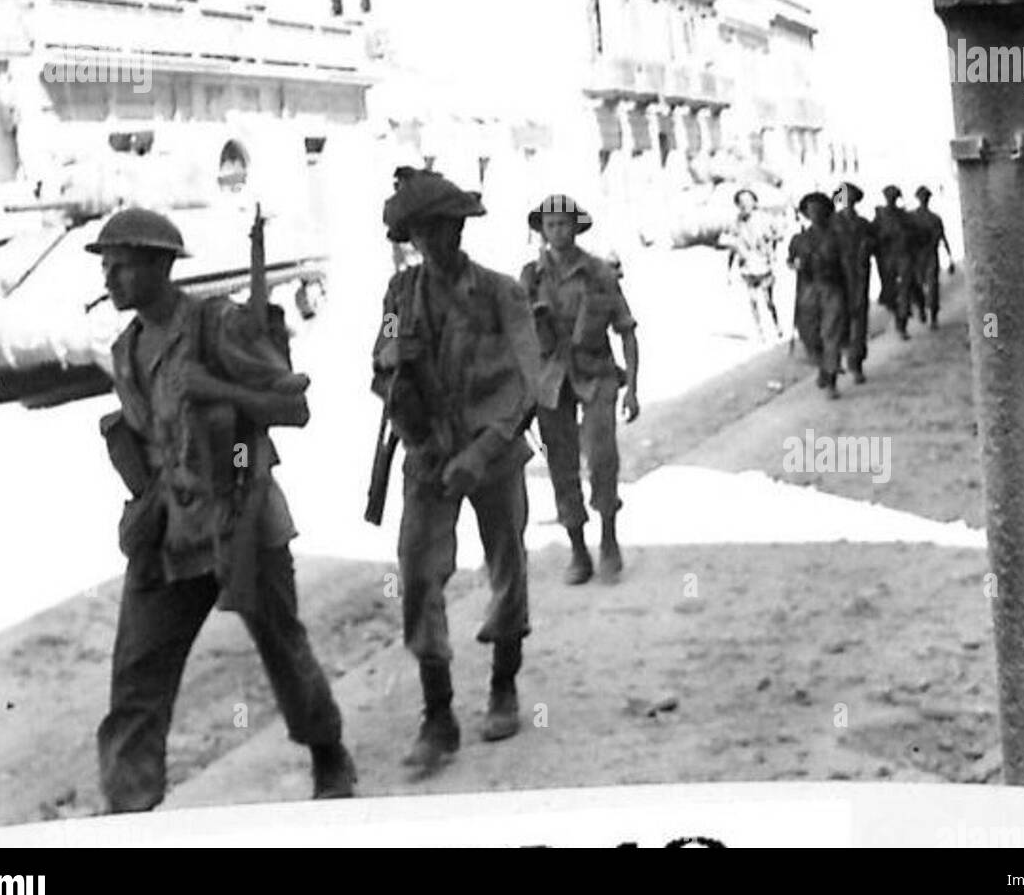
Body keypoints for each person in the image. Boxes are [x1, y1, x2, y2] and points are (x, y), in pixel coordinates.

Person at [88, 208, 356, 812]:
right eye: (106, 267)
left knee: (282, 648)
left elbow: (289, 410)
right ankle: (129, 806)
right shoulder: (125, 350)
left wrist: (222, 397)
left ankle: (328, 752)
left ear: (161, 266)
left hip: (242, 509)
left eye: (122, 266)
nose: (110, 279)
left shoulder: (218, 326)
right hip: (169, 530)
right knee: (137, 674)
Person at [371, 168, 542, 776]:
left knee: (506, 567)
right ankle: (438, 714)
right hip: (427, 456)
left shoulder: (501, 293)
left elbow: (531, 382)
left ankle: (503, 684)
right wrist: (398, 387)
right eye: (425, 231)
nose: (437, 241)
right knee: (418, 574)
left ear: (460, 228)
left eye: (447, 228)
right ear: (411, 236)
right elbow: (380, 360)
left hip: (491, 454)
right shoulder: (399, 297)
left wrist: (485, 448)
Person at [520, 194, 640, 586]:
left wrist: (633, 389)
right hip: (551, 380)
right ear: (542, 231)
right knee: (561, 465)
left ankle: (608, 538)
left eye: (564, 224)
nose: (557, 232)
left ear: (576, 227)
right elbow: (515, 337)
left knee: (602, 457)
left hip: (597, 374)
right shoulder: (530, 277)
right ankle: (577, 548)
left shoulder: (599, 273)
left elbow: (626, 331)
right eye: (550, 226)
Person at [786, 191, 850, 397]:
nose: (815, 214)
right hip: (808, 290)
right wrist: (794, 264)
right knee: (809, 335)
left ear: (826, 213)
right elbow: (790, 260)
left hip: (832, 288)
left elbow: (847, 266)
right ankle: (823, 366)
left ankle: (831, 380)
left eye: (819, 210)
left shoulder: (838, 238)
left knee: (831, 334)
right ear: (806, 214)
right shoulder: (799, 239)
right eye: (810, 210)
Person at [718, 187, 783, 346]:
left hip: (763, 264)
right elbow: (733, 246)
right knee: (753, 300)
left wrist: (770, 241)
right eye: (741, 203)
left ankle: (776, 325)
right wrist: (728, 271)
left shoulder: (765, 219)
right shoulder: (736, 222)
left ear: (754, 202)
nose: (744, 205)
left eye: (748, 202)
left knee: (768, 300)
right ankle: (760, 331)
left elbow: (779, 235)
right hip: (747, 266)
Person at [830, 181, 877, 383]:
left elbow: (878, 247)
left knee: (859, 322)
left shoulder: (864, 225)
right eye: (844, 198)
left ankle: (856, 364)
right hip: (836, 278)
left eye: (851, 199)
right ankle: (834, 363)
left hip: (859, 278)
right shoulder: (831, 224)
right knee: (836, 322)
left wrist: (869, 246)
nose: (847, 203)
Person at [874, 184, 917, 339]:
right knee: (889, 293)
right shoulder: (880, 216)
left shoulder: (904, 216)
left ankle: (902, 324)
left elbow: (915, 237)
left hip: (903, 257)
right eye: (888, 197)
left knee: (904, 291)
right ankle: (897, 313)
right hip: (886, 260)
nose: (891, 200)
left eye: (894, 197)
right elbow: (873, 238)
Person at [909, 186, 955, 328]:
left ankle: (933, 317)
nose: (924, 200)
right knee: (917, 287)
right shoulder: (911, 218)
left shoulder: (935, 218)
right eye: (922, 198)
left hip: (931, 256)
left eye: (926, 198)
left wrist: (950, 258)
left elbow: (943, 237)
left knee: (933, 287)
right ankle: (922, 308)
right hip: (916, 257)